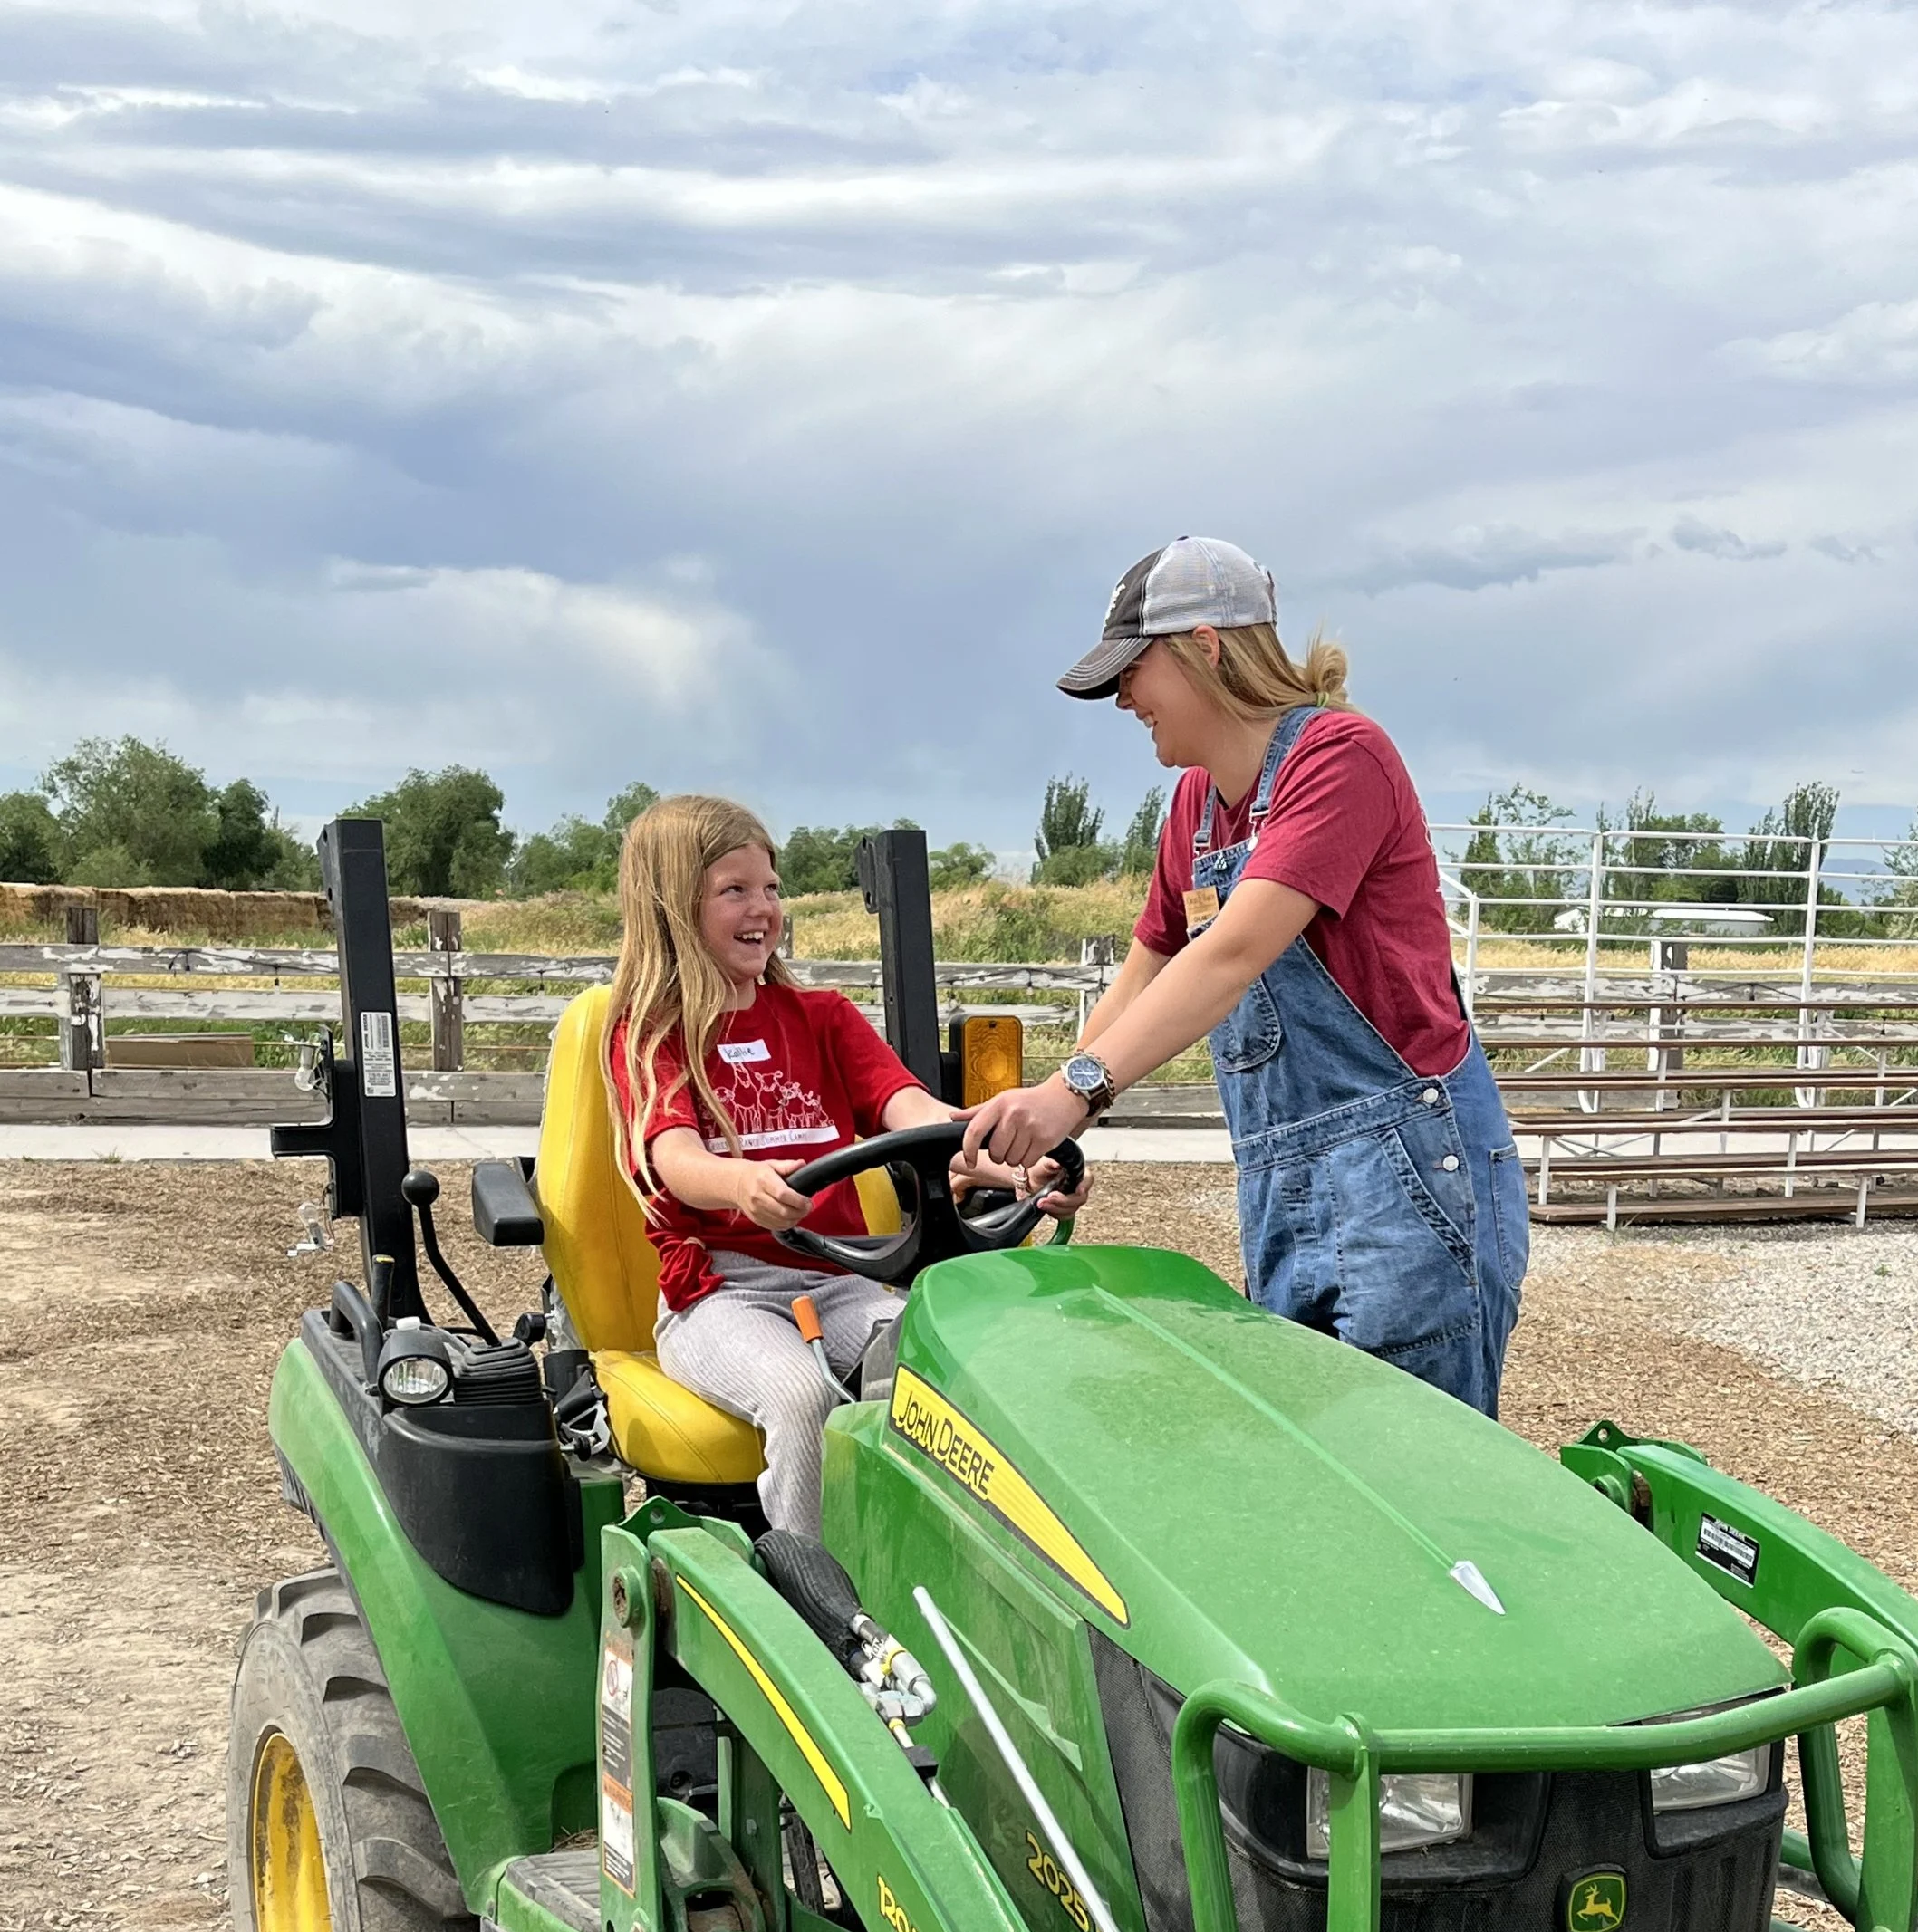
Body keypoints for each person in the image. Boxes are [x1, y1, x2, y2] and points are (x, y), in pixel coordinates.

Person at [959, 537, 1528, 1415]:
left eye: (1131, 673)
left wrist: (1072, 1093)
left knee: (1410, 1472)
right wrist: (1052, 1125)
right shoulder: (1192, 809)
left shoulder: (1340, 759)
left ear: (1206, 649)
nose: (1121, 701)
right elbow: (1145, 976)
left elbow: (1227, 956)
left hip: (1404, 1173)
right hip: (1278, 1179)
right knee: (1310, 1472)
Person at [605, 793, 1085, 1533]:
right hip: (720, 1294)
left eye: (770, 887)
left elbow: (919, 1117)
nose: (762, 907)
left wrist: (1018, 1168)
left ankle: (925, 1566)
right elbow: (672, 1156)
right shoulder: (653, 1031)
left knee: (946, 1361)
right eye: (734, 890)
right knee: (803, 1399)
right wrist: (739, 1182)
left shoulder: (822, 1017)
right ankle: (818, 1609)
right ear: (673, 906)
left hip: (841, 1275)